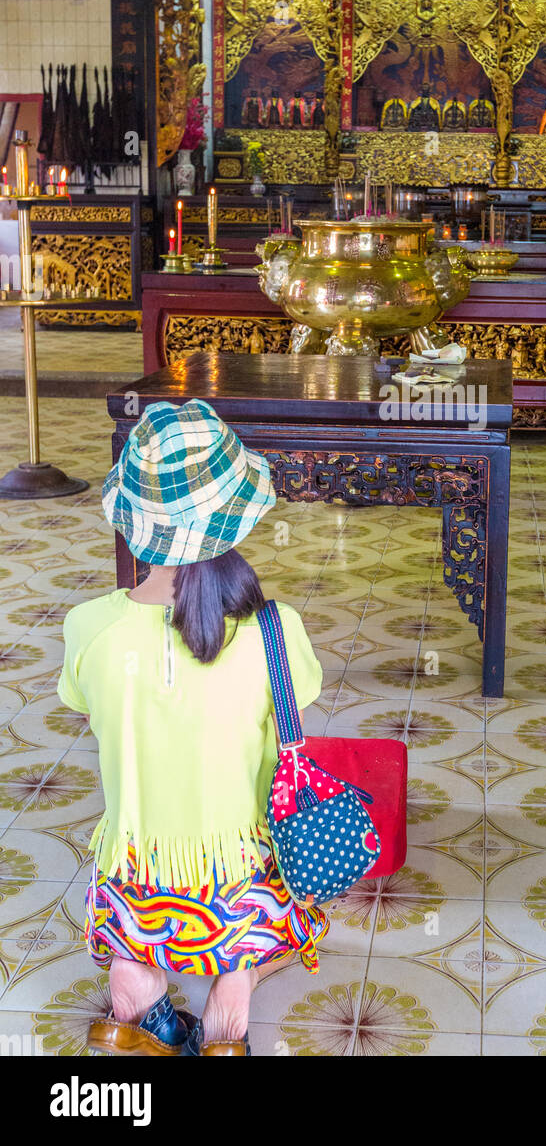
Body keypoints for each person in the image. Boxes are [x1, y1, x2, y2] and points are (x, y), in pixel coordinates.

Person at [57, 399, 329, 1057]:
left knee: (125, 902)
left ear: (133, 525)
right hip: (235, 875)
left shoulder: (88, 627)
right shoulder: (275, 630)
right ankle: (229, 1005)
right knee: (295, 905)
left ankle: (135, 995)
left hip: (136, 872)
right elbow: (294, 710)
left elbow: (89, 707)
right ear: (237, 519)